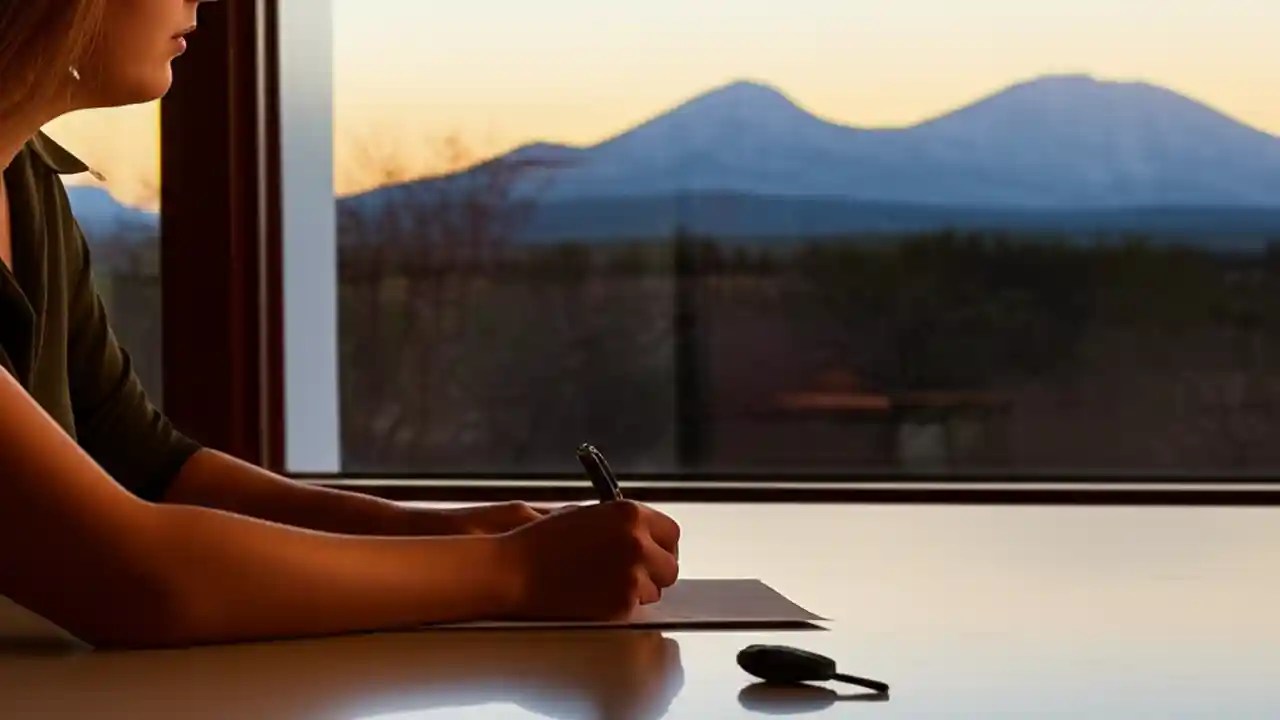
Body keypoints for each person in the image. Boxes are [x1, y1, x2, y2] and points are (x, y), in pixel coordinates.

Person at [0, 0, 679, 648]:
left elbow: (150, 465)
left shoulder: (27, 185)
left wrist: (450, 534)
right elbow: (129, 580)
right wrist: (519, 572)